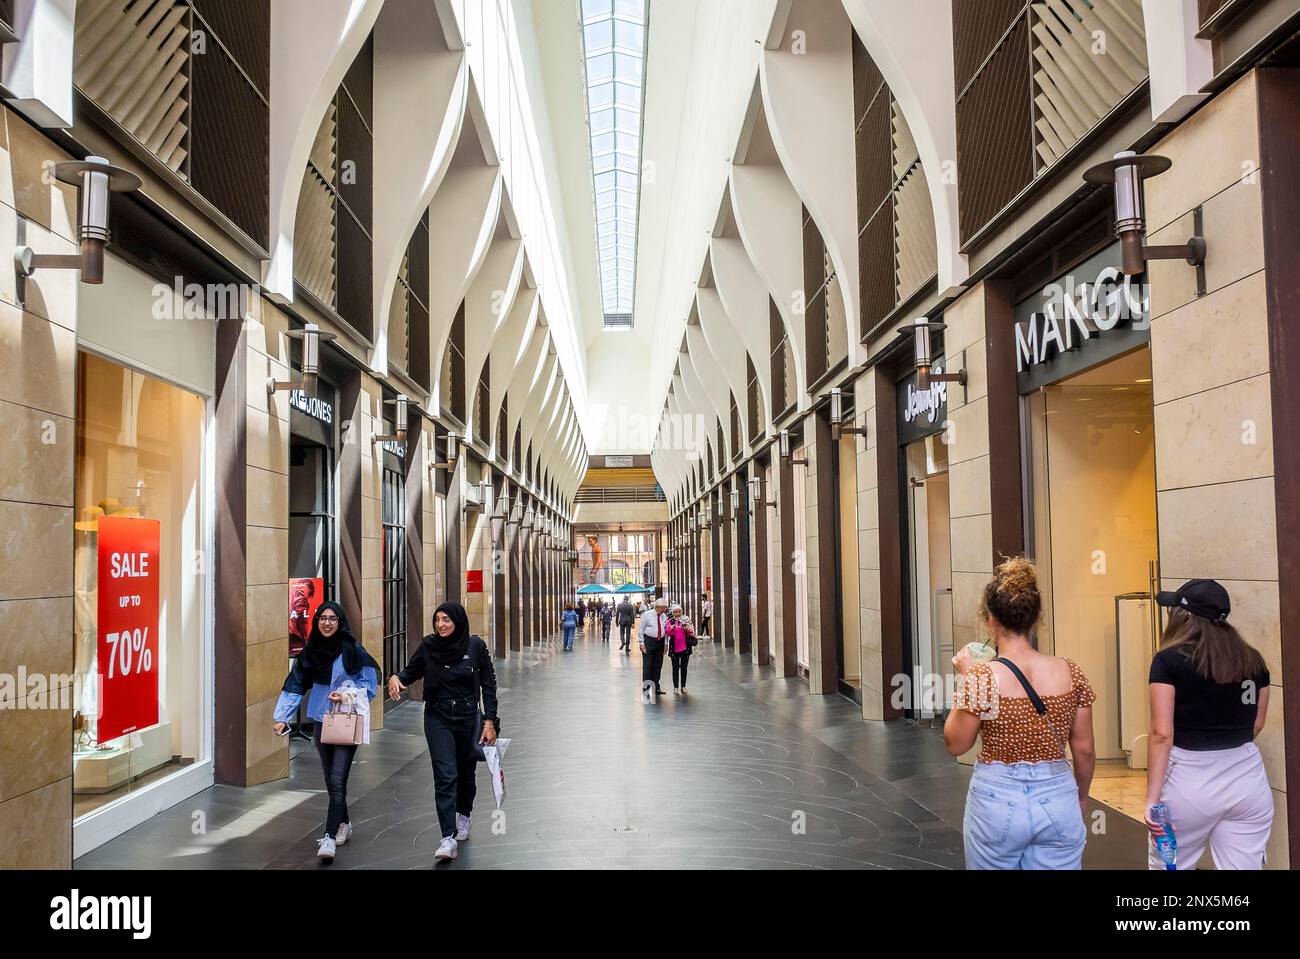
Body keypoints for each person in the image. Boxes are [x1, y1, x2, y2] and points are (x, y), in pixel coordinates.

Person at [944, 557, 1096, 870]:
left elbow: (956, 743)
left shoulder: (982, 676)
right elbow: (1084, 749)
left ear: (990, 620)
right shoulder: (1071, 672)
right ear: (1037, 617)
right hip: (1058, 796)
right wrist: (1080, 797)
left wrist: (969, 678)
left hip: (996, 801)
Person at [1144, 579, 1273, 869]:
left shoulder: (1168, 661)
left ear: (1185, 616)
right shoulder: (1254, 661)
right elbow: (1257, 722)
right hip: (1248, 779)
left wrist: (1152, 799)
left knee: (1170, 864)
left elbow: (1162, 734)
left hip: (1188, 780)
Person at [388, 602, 499, 863]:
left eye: (446, 619)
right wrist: (398, 679)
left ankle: (464, 814)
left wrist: (490, 722)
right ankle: (447, 837)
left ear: (458, 621)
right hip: (437, 717)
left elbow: (489, 685)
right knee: (445, 774)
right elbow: (412, 671)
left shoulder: (475, 647)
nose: (441, 625)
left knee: (465, 773)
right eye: (437, 619)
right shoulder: (429, 645)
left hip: (467, 717)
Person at [273, 601, 379, 864]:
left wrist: (344, 694)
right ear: (317, 621)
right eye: (323, 618)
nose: (328, 623)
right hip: (321, 718)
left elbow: (370, 684)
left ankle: (329, 836)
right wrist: (281, 717)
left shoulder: (352, 649)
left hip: (346, 719)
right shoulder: (311, 650)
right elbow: (296, 682)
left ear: (340, 622)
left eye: (333, 618)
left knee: (338, 777)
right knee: (329, 777)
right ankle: (343, 822)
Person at [638, 597, 671, 699]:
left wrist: (666, 644)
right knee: (648, 666)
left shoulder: (664, 616)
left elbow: (665, 631)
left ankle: (656, 687)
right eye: (663, 608)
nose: (664, 609)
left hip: (660, 642)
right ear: (657, 607)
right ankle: (646, 689)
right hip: (649, 641)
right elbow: (641, 629)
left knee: (658, 665)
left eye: (665, 608)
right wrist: (641, 643)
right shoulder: (647, 615)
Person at [666, 605, 695, 694]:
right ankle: (675, 687)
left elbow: (692, 632)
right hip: (674, 649)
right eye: (675, 612)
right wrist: (671, 628)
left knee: (684, 668)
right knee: (675, 668)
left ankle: (683, 686)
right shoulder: (670, 621)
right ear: (673, 613)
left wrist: (687, 629)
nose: (677, 613)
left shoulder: (686, 620)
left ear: (682, 612)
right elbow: (667, 633)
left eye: (679, 612)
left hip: (685, 648)